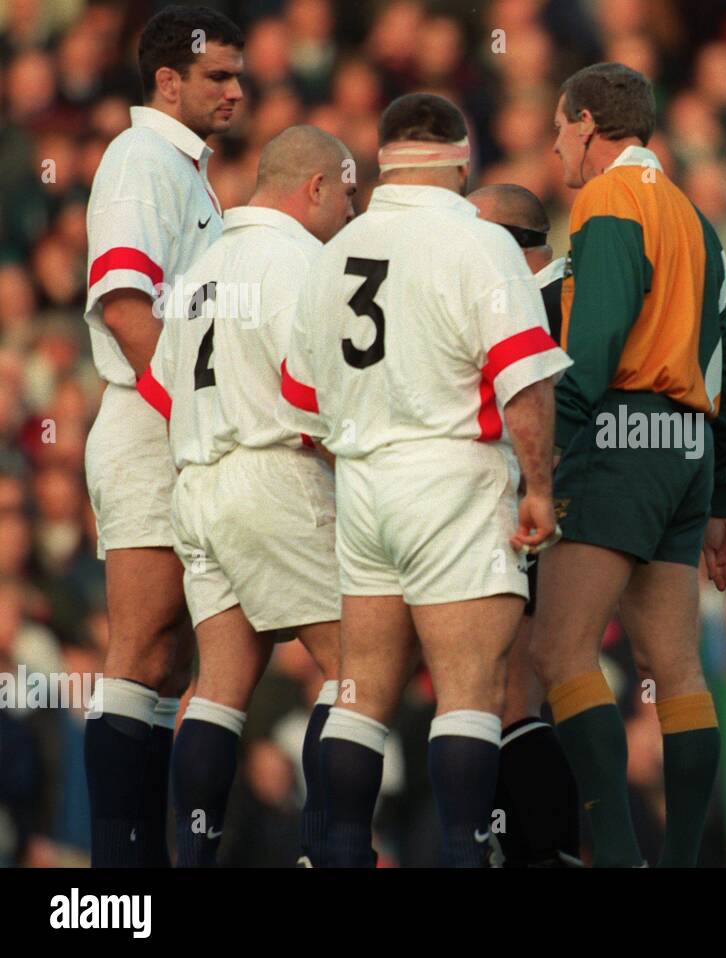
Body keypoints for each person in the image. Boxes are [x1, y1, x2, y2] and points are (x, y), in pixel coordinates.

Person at [277, 93, 570, 867]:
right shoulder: (477, 241)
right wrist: (537, 489)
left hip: (366, 486)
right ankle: (463, 857)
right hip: (454, 475)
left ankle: (339, 854)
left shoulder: (334, 251)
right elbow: (526, 382)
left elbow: (300, 402)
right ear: (460, 159)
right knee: (470, 689)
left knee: (361, 694)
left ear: (380, 161)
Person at [529, 62, 726, 867]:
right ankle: (687, 858)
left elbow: (592, 344)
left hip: (621, 435)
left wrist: (548, 452)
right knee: (677, 667)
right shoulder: (695, 221)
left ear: (587, 123)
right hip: (687, 452)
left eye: (559, 128)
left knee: (559, 649)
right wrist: (725, 489)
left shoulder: (609, 198)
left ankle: (620, 856)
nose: (555, 147)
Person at [142, 126, 355, 867]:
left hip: (198, 481)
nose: (352, 212)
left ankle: (192, 859)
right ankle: (328, 851)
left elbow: (161, 388)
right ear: (317, 187)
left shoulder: (204, 265)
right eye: (349, 193)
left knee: (220, 686)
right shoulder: (300, 260)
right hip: (274, 472)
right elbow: (313, 391)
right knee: (359, 666)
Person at [81, 4, 244, 867]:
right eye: (218, 75)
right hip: (148, 421)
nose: (235, 90)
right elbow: (124, 301)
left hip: (167, 420)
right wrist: (191, 410)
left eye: (239, 73)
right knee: (139, 652)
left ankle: (136, 868)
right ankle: (117, 881)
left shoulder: (180, 164)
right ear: (167, 80)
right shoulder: (141, 158)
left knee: (168, 660)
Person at [468, 183, 581, 867]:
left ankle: (541, 848)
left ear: (509, 242)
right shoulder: (565, 293)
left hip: (531, 503)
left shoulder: (528, 300)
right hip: (552, 501)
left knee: (511, 687)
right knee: (522, 686)